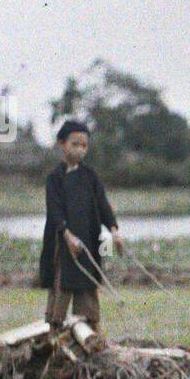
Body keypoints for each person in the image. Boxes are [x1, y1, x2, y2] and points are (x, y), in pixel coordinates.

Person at [39, 120, 123, 332]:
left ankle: (91, 337)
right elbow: (55, 211)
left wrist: (114, 230)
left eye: (84, 146)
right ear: (62, 144)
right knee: (60, 292)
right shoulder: (54, 179)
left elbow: (103, 205)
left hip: (87, 244)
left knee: (87, 294)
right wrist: (67, 236)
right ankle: (55, 336)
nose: (79, 149)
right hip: (63, 246)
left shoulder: (90, 177)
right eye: (75, 144)